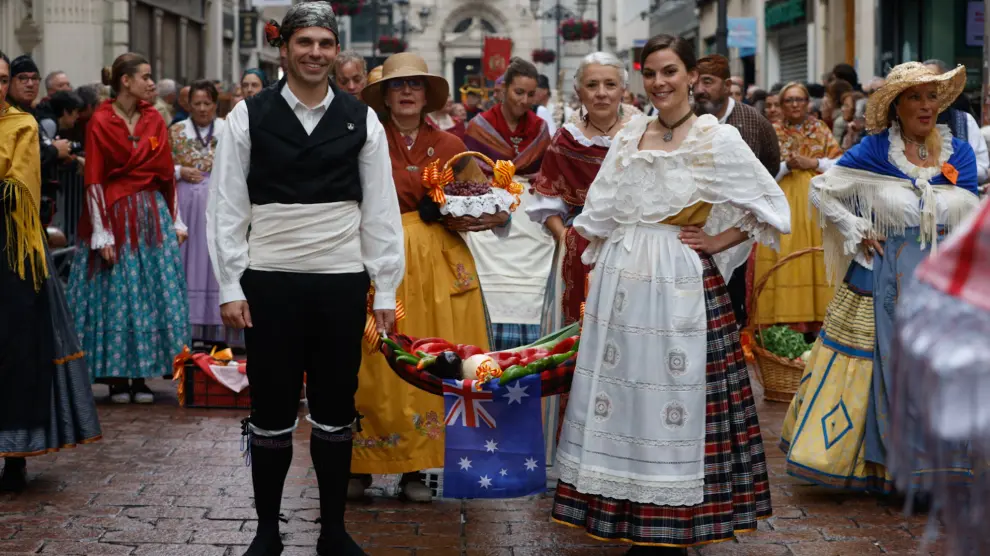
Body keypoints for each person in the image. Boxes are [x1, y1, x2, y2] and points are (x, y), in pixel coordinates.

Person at [550, 35, 789, 553]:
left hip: (679, 282)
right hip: (621, 285)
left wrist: (720, 237)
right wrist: (577, 253)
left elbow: (770, 205)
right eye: (651, 74)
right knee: (628, 393)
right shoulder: (630, 134)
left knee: (679, 396)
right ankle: (631, 515)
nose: (659, 83)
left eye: (670, 72)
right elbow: (600, 210)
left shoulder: (714, 138)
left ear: (691, 77)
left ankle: (680, 519)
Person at [208, 4, 403, 555]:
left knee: (336, 405)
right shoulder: (246, 116)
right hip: (269, 279)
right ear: (284, 48)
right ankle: (267, 530)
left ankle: (333, 531)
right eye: (305, 43)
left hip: (340, 279)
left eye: (325, 43)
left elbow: (381, 210)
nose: (315, 53)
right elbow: (227, 208)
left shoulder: (361, 117)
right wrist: (229, 285)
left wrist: (385, 287)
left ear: (336, 50)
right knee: (269, 407)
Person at [779, 62, 980, 495]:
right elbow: (821, 189)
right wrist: (853, 228)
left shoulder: (959, 153)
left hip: (942, 285)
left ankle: (940, 470)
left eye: (931, 97)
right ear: (896, 107)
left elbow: (970, 213)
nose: (926, 106)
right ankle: (887, 470)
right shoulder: (874, 151)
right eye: (915, 97)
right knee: (877, 367)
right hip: (881, 279)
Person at [350, 52, 497, 502]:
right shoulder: (365, 138)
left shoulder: (454, 145)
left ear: (428, 94)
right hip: (377, 255)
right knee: (373, 360)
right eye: (398, 85)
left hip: (437, 258)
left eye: (415, 84)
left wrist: (452, 210)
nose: (408, 92)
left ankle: (419, 468)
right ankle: (362, 463)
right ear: (386, 95)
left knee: (433, 356)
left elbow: (485, 209)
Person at [0, 50, 101, 493]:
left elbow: (16, 192)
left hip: (12, 254)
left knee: (17, 350)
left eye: (1, 78)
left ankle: (15, 456)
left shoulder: (20, 126)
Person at [527, 51, 634, 464]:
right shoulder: (567, 139)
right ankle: (573, 446)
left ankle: (622, 443)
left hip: (632, 256)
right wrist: (571, 240)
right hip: (579, 259)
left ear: (623, 88)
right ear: (579, 91)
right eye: (593, 85)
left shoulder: (642, 132)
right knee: (576, 344)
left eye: (610, 84)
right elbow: (547, 205)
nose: (602, 93)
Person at [67, 53, 190, 405]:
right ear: (126, 81)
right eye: (146, 77)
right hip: (113, 214)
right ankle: (116, 377)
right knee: (116, 295)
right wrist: (101, 232)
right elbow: (93, 180)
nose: (152, 83)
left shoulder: (154, 119)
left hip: (151, 215)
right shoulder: (101, 121)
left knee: (149, 296)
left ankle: (141, 376)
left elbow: (167, 175)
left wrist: (175, 219)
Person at [462, 57, 554, 350]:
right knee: (488, 282)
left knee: (536, 284)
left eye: (531, 94)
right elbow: (469, 175)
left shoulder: (540, 128)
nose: (525, 100)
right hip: (489, 210)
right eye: (518, 92)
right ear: (502, 90)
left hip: (530, 214)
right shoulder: (479, 127)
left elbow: (547, 176)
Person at [693, 55, 781, 329]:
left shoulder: (753, 121)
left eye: (707, 81)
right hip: (693, 231)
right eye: (695, 82)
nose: (699, 89)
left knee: (732, 307)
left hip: (738, 236)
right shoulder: (684, 119)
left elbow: (770, 167)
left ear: (727, 84)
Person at [751, 82, 842, 333]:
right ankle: (785, 321)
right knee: (785, 256)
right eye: (789, 100)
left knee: (816, 256)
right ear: (781, 105)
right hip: (783, 202)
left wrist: (812, 161)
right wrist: (787, 167)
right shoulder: (771, 131)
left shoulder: (820, 129)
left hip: (818, 203)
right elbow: (761, 172)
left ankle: (820, 322)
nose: (794, 105)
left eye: (799, 100)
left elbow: (841, 163)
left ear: (807, 103)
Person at [169, 80, 231, 345]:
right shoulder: (176, 130)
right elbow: (161, 165)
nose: (203, 109)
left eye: (208, 103)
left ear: (216, 104)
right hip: (186, 204)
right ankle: (186, 327)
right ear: (188, 105)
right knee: (187, 260)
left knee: (214, 258)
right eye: (197, 104)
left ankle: (217, 327)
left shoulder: (227, 129)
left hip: (219, 203)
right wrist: (180, 171)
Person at [925, 60, 990, 184]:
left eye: (934, 82)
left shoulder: (965, 122)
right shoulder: (904, 125)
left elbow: (982, 168)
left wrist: (946, 172)